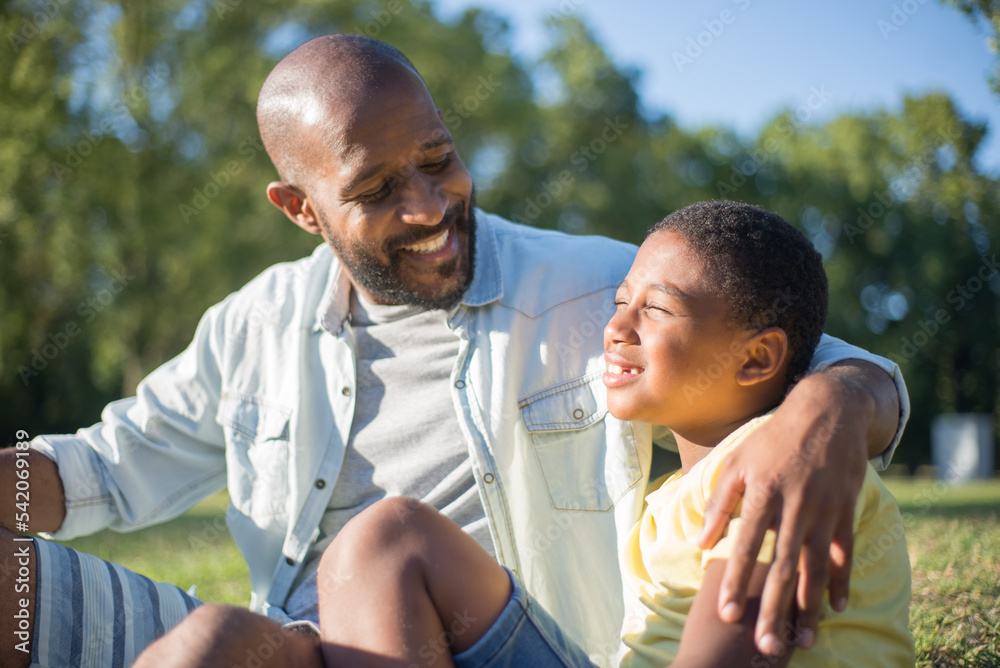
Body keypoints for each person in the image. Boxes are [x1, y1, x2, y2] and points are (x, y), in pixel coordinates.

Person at [0, 35, 907, 668]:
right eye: (379, 187)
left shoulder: (595, 288)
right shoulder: (252, 326)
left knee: (377, 545)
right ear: (301, 209)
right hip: (300, 647)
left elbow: (798, 353)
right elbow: (102, 471)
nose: (431, 204)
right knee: (172, 636)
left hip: (498, 648)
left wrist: (834, 410)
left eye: (439, 158)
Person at [298, 200, 913, 668]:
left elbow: (737, 641)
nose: (617, 326)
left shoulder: (779, 473)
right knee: (383, 541)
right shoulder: (676, 490)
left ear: (755, 360)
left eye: (657, 309)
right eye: (621, 301)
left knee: (387, 538)